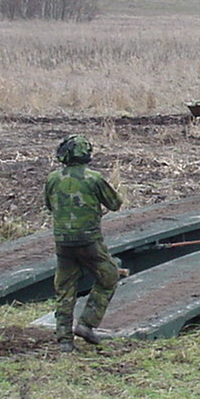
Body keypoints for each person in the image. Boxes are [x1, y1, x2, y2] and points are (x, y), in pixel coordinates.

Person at [44, 134, 123, 352]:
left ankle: (64, 340)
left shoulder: (53, 179)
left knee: (65, 288)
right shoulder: (94, 178)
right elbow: (115, 204)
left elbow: (49, 205)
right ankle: (87, 324)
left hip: (62, 241)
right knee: (109, 276)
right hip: (89, 241)